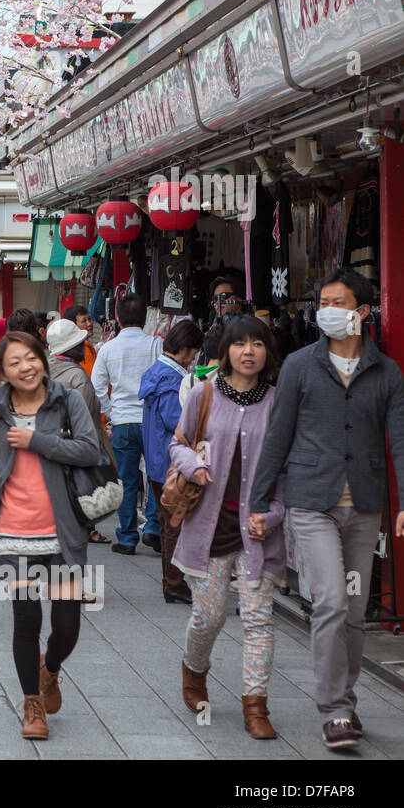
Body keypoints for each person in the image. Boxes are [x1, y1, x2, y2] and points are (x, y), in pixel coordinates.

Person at [249, 267, 404, 750]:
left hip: (363, 506)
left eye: (339, 303)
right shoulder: (298, 365)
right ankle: (333, 711)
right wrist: (258, 501)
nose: (327, 311)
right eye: (324, 302)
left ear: (362, 312)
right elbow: (277, 436)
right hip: (311, 503)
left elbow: (400, 438)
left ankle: (347, 700)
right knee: (332, 602)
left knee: (355, 611)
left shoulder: (387, 371)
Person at [0, 332, 101, 740]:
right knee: (26, 619)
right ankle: (32, 704)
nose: (26, 367)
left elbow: (90, 451)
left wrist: (37, 441)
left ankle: (50, 669)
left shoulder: (68, 401)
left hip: (63, 531)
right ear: (2, 372)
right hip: (14, 532)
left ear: (43, 359)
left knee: (66, 627)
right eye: (14, 362)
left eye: (31, 357)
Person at [169, 316, 286, 741]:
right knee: (210, 615)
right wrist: (194, 466)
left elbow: (287, 470)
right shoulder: (203, 394)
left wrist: (272, 515)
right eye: (240, 344)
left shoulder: (277, 401)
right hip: (209, 527)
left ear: (266, 352)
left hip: (256, 530)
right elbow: (177, 443)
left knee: (258, 621)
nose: (249, 351)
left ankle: (255, 705)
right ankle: (194, 668)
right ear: (226, 351)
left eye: (257, 344)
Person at [91, 293, 163, 555]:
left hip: (122, 423)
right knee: (157, 476)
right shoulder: (156, 345)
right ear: (145, 319)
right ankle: (153, 527)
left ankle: (128, 538)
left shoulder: (108, 349)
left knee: (127, 481)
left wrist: (111, 413)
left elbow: (97, 386)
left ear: (117, 318)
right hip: (151, 422)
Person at [139, 319, 205, 603]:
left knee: (169, 522)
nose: (193, 359)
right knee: (174, 524)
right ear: (185, 349)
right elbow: (174, 421)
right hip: (170, 460)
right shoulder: (171, 379)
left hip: (157, 459)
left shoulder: (156, 372)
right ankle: (174, 583)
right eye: (193, 353)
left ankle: (173, 581)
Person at [45, 317, 112, 545]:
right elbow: (82, 420)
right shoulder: (77, 376)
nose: (85, 347)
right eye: (81, 344)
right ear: (72, 348)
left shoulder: (42, 369)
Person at [62, 304, 98, 376]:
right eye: (84, 321)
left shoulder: (69, 346)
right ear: (73, 326)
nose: (89, 324)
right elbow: (93, 377)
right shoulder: (83, 349)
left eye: (89, 319)